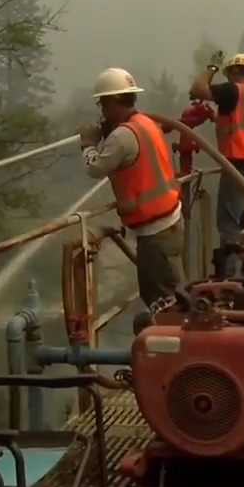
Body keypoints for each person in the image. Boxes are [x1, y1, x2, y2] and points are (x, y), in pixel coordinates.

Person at [78, 68, 185, 309]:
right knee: (169, 292)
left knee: (163, 301)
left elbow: (95, 168)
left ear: (114, 102)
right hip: (169, 220)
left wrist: (88, 144)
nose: (102, 111)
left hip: (155, 232)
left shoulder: (122, 136)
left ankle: (172, 341)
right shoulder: (144, 123)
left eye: (103, 105)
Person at [189, 51, 244, 275]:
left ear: (232, 73)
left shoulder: (232, 90)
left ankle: (231, 281)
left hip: (237, 168)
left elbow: (196, 90)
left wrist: (212, 68)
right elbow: (241, 125)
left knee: (229, 225)